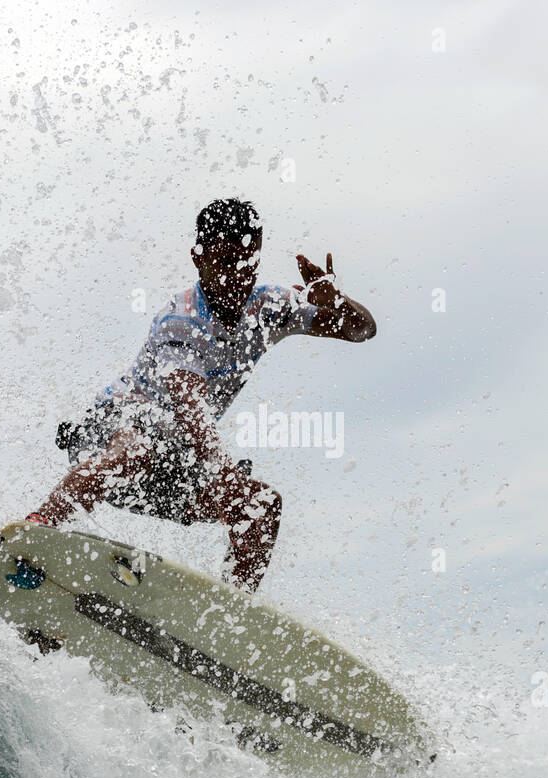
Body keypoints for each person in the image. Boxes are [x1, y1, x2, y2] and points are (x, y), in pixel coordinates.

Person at [27, 198, 376, 592]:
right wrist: (223, 473)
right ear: (199, 258)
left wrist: (336, 300)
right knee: (139, 445)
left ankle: (228, 616)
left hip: (173, 464)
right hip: (109, 438)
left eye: (249, 262)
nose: (238, 276)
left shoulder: (269, 307)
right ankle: (35, 528)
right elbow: (190, 408)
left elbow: (363, 330)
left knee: (259, 507)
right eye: (226, 262)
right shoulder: (183, 318)